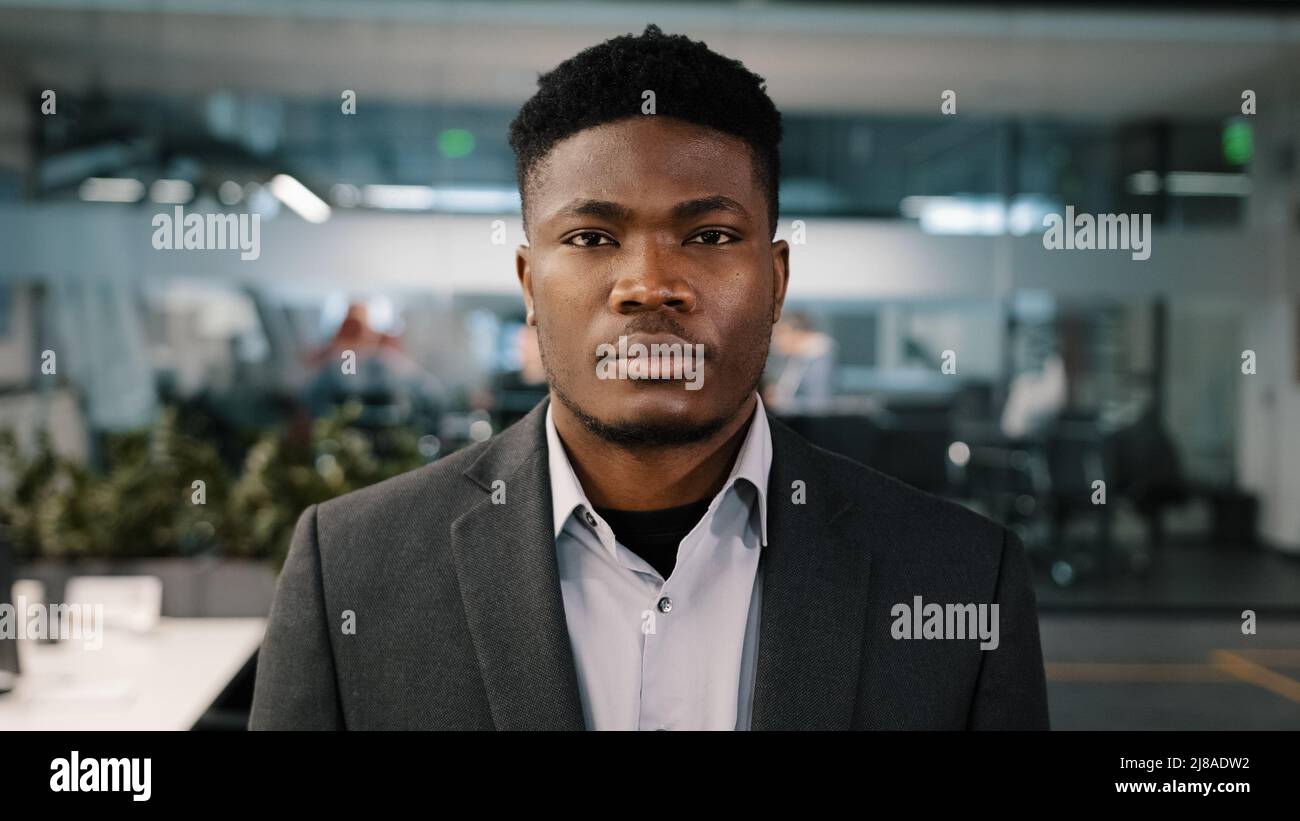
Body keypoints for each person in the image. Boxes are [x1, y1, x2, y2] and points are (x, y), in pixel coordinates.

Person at [250, 24, 1048, 730]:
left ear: (776, 282)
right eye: (594, 237)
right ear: (529, 286)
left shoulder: (960, 576)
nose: (649, 284)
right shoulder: (351, 570)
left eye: (707, 233)